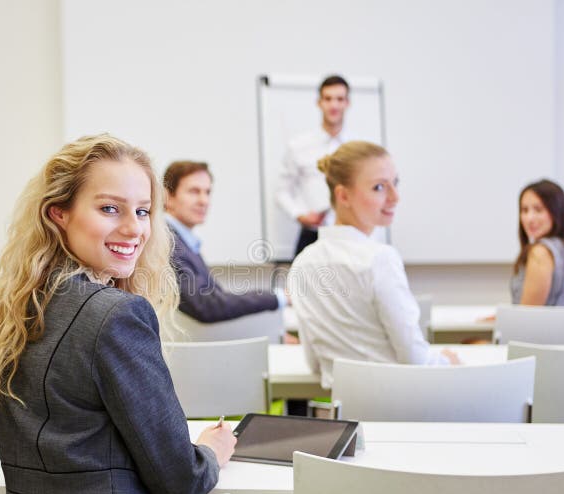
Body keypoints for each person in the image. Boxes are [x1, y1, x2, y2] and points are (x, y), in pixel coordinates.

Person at [0, 134, 235, 494]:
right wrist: (211, 451)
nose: (134, 229)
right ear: (59, 213)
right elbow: (182, 480)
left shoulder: (21, 305)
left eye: (142, 211)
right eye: (109, 208)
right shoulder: (117, 315)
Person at [287, 141, 457, 389]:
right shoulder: (379, 259)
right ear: (343, 196)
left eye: (395, 183)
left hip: (344, 409)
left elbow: (315, 364)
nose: (395, 197)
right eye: (379, 187)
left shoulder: (302, 263)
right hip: (398, 404)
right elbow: (415, 359)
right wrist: (447, 361)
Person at [163, 160, 285, 323]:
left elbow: (215, 298)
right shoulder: (168, 243)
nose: (204, 201)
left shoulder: (183, 241)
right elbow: (208, 305)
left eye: (207, 192)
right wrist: (277, 297)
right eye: (194, 191)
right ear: (168, 197)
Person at [276, 74, 350, 256]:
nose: (334, 105)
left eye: (339, 99)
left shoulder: (358, 148)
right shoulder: (299, 146)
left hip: (348, 236)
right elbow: (281, 190)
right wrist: (299, 214)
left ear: (347, 103)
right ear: (319, 102)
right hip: (312, 236)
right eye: (328, 99)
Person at [511, 179, 564, 305]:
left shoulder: (540, 253)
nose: (529, 218)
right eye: (524, 210)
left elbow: (527, 314)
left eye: (538, 210)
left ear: (556, 211)